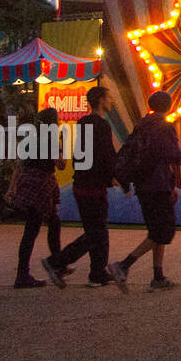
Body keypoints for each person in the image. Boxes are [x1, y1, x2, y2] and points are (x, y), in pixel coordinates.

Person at [108, 91, 181, 294]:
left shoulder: (141, 127)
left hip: (143, 186)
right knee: (164, 231)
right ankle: (123, 265)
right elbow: (175, 157)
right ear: (168, 106)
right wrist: (174, 185)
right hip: (159, 185)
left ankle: (158, 276)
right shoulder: (164, 128)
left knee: (155, 231)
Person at [42, 86, 118, 288]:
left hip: (82, 184)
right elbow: (106, 155)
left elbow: (80, 154)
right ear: (101, 100)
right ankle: (56, 261)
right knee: (96, 232)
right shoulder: (102, 125)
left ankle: (97, 273)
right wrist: (115, 176)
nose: (111, 101)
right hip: (94, 186)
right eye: (109, 97)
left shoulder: (83, 123)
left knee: (97, 230)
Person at [12, 107, 65, 289]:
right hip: (42, 185)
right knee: (34, 229)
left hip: (29, 183)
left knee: (49, 223)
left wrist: (12, 189)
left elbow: (19, 165)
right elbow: (61, 165)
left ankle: (56, 264)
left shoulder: (30, 138)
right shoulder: (52, 138)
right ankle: (24, 274)